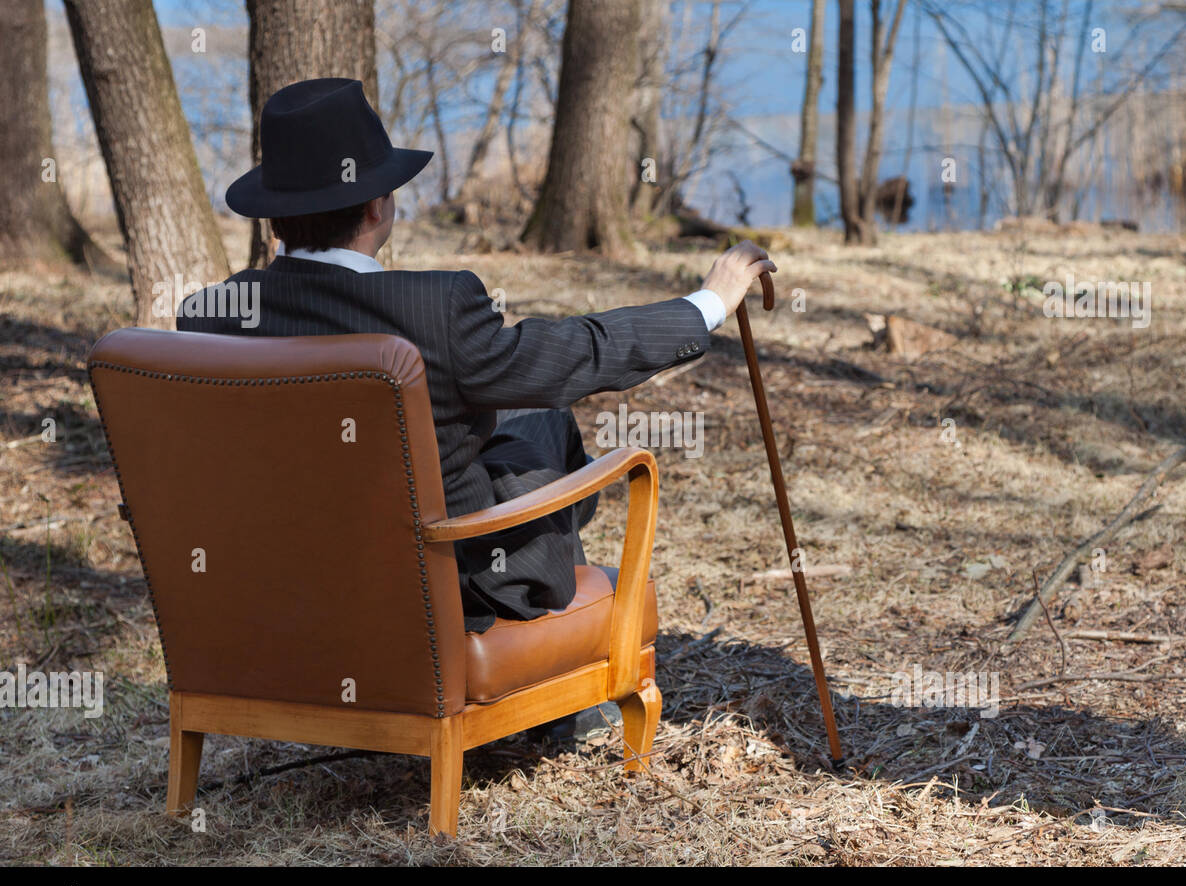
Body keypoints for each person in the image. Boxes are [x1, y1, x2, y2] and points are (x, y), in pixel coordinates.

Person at [179, 76, 776, 640]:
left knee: (535, 415)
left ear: (275, 219)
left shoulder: (213, 314)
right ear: (377, 208)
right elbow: (576, 354)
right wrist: (707, 303)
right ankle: (565, 675)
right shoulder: (435, 308)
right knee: (547, 428)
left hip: (280, 586)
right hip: (445, 583)